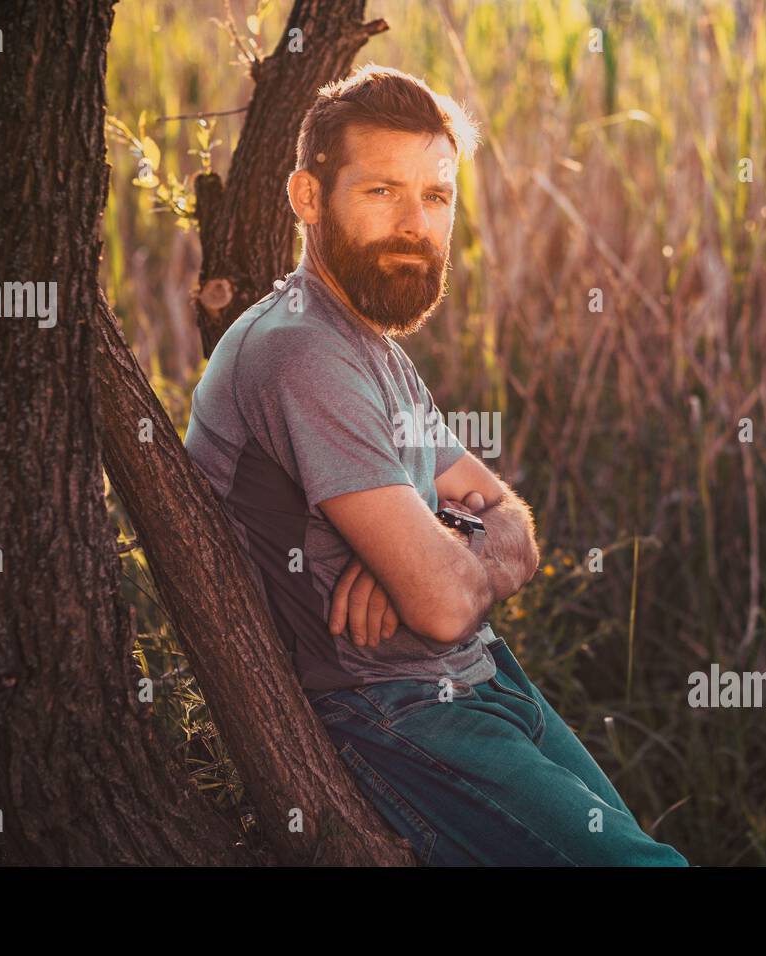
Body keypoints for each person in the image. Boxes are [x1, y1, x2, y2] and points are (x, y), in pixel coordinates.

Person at [184, 63, 688, 867]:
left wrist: (437, 545)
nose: (415, 224)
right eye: (381, 192)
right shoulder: (302, 355)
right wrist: (438, 570)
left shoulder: (370, 348)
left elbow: (508, 519)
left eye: (436, 196)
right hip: (392, 709)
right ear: (308, 199)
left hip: (481, 680)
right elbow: (448, 606)